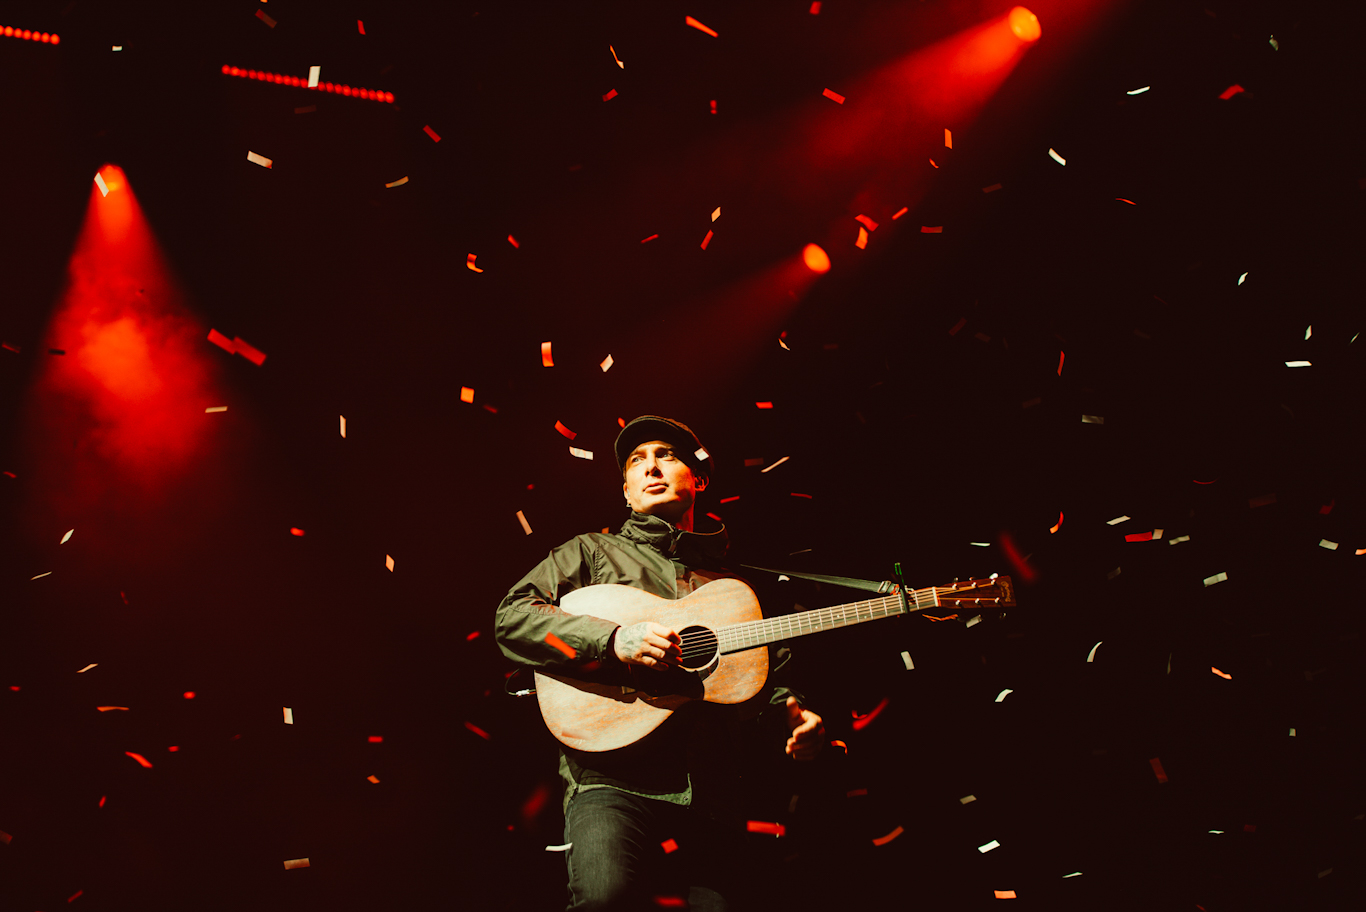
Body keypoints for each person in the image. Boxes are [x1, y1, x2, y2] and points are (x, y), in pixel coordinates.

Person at [496, 415, 825, 911]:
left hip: (714, 792)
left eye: (666, 455)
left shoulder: (733, 586)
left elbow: (770, 678)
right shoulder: (589, 551)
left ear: (700, 479)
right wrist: (613, 639)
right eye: (636, 461)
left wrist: (795, 714)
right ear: (626, 492)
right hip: (610, 778)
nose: (651, 466)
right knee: (605, 901)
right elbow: (512, 619)